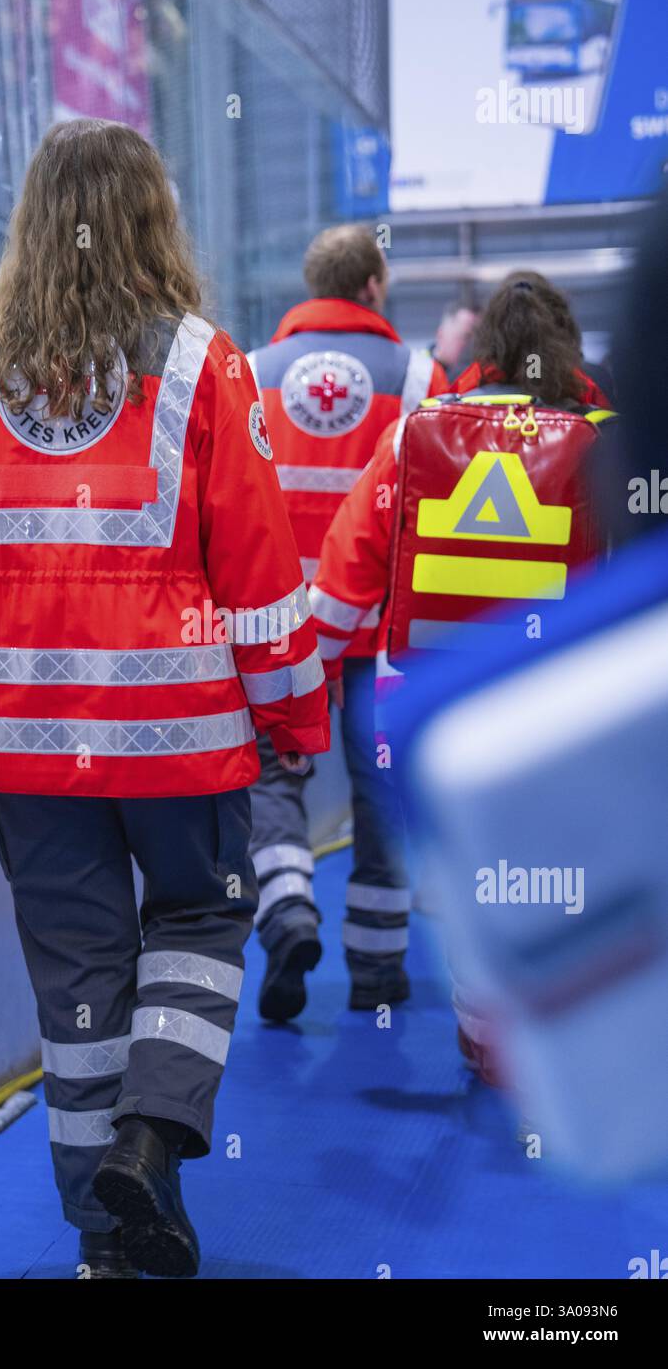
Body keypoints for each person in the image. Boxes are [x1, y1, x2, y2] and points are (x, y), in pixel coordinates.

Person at [0, 117, 329, 1279]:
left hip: (13, 726)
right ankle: (152, 1133)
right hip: (173, 722)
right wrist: (291, 717)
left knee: (76, 980)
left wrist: (39, 583)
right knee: (200, 914)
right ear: (152, 216)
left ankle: (110, 1242)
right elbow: (261, 578)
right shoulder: (198, 361)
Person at [310, 269, 617, 1081]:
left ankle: (484, 1030)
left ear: (485, 350)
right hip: (557, 702)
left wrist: (297, 681)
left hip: (428, 704)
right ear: (565, 348)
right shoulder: (603, 442)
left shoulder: (412, 436)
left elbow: (346, 576)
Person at [245, 224, 449, 1021]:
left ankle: (288, 910)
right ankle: (377, 972)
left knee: (272, 773)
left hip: (277, 624)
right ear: (372, 285)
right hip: (375, 626)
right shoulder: (420, 374)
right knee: (380, 788)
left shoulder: (254, 372)